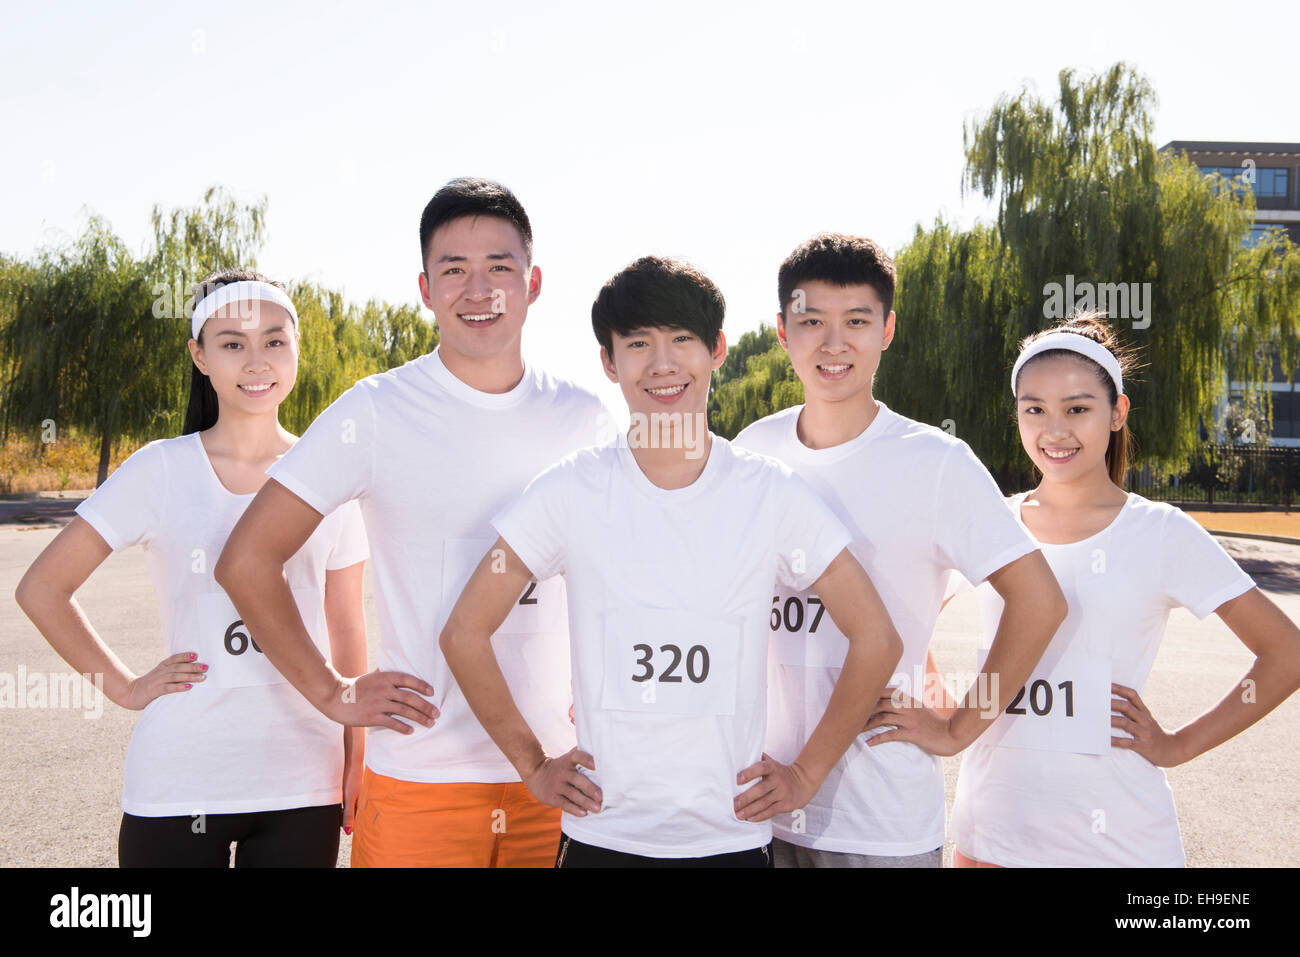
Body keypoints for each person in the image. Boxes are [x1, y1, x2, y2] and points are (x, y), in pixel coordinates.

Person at [441, 255, 904, 867]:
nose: (662, 364)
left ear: (716, 349)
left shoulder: (770, 495)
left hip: (730, 840)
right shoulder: (567, 493)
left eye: (682, 339)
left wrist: (804, 776)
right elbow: (464, 632)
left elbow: (876, 638)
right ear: (609, 361)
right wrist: (533, 766)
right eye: (638, 343)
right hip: (603, 838)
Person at [214, 178, 611, 867]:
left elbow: (616, 578)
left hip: (560, 779)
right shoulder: (374, 411)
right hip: (421, 782)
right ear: (426, 288)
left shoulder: (585, 418)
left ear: (534, 281)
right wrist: (332, 691)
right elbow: (245, 560)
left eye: (500, 268)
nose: (478, 289)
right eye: (454, 270)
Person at [891, 312, 1300, 866]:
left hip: (1120, 847)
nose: (1053, 431)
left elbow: (1286, 654)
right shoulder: (992, 525)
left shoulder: (1161, 532)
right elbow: (910, 616)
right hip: (990, 837)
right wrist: (947, 711)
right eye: (1034, 409)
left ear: (1117, 413)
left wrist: (1177, 745)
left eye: (1077, 409)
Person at [733, 233, 1066, 867]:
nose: (834, 344)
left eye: (856, 321)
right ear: (783, 331)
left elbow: (1040, 602)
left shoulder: (936, 463)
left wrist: (956, 728)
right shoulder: (753, 448)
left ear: (887, 329)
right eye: (812, 322)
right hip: (759, 806)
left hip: (878, 825)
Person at [15, 269, 368, 867]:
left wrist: (357, 756)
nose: (257, 361)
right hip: (179, 781)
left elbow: (348, 628)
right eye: (232, 344)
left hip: (302, 779)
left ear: (297, 350)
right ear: (199, 356)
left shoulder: (330, 474)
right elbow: (42, 588)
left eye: (274, 341)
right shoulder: (161, 469)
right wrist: (125, 688)